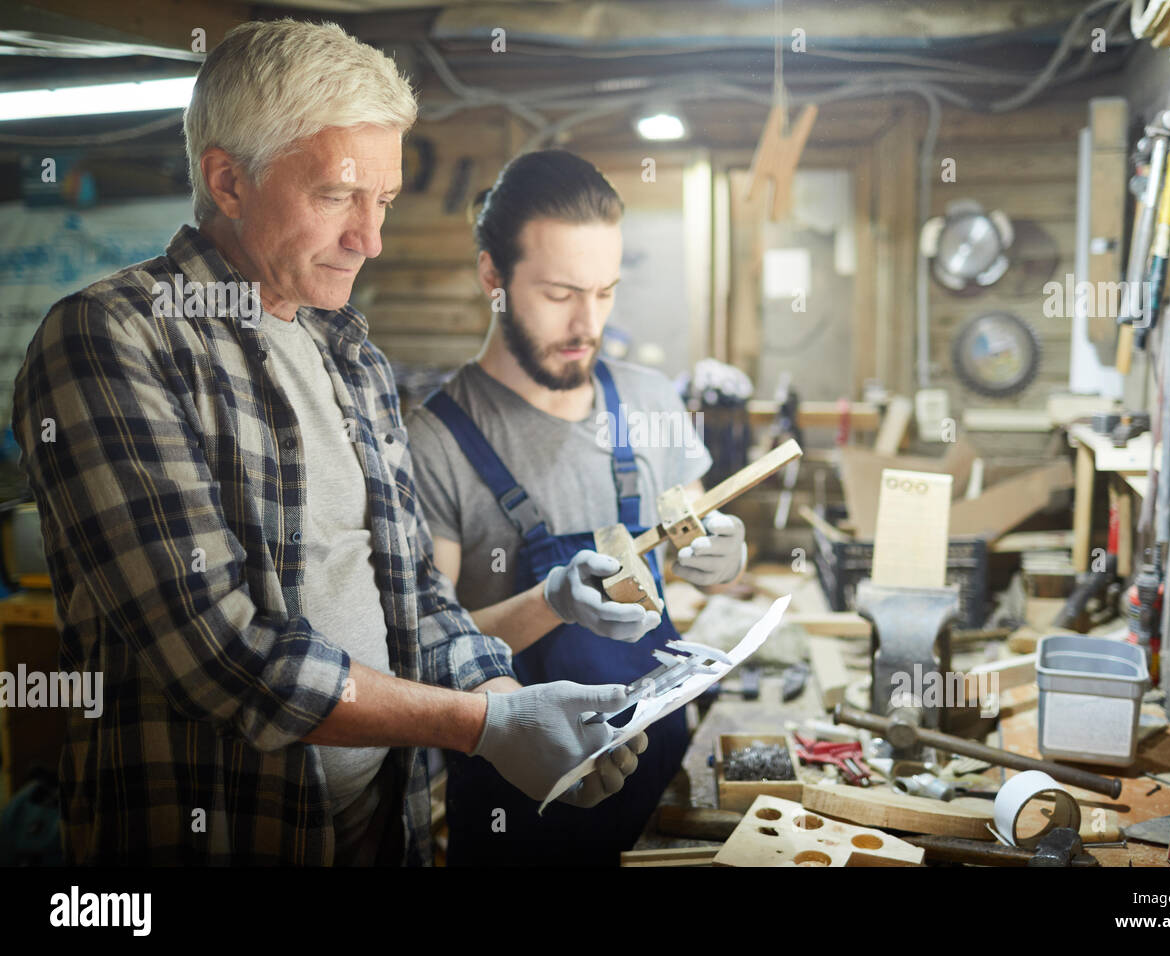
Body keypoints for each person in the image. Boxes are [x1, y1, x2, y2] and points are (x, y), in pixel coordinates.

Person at [10, 20, 644, 867]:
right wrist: (484, 724)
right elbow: (221, 650)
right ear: (229, 181)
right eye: (338, 196)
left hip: (384, 829)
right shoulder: (111, 340)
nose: (370, 240)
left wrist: (517, 705)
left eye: (381, 202)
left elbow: (417, 594)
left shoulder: (349, 354)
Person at [406, 150, 749, 865]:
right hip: (520, 819)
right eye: (560, 292)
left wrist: (722, 557)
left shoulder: (650, 400)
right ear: (492, 277)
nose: (587, 323)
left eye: (605, 291)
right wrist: (551, 603)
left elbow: (697, 549)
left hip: (665, 803)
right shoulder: (431, 441)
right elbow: (420, 662)